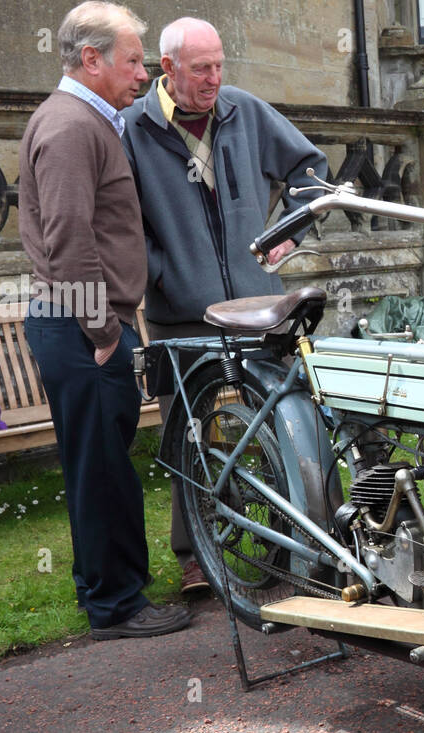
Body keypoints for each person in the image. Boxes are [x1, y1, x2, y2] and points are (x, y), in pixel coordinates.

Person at [121, 16, 328, 596]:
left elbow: (311, 171)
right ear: (168, 69)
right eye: (200, 69)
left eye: (218, 66)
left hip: (258, 308)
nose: (214, 79)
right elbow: (120, 222)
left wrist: (292, 231)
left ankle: (290, 539)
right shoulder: (132, 130)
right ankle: (194, 555)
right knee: (188, 432)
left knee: (278, 421)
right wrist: (162, 273)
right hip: (179, 314)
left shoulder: (244, 110)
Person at [18, 1, 190, 640]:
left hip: (84, 322)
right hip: (80, 326)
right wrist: (103, 332)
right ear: (91, 60)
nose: (144, 74)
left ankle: (114, 593)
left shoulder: (86, 120)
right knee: (100, 470)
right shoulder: (70, 127)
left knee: (105, 464)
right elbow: (67, 239)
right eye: (133, 60)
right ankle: (115, 605)